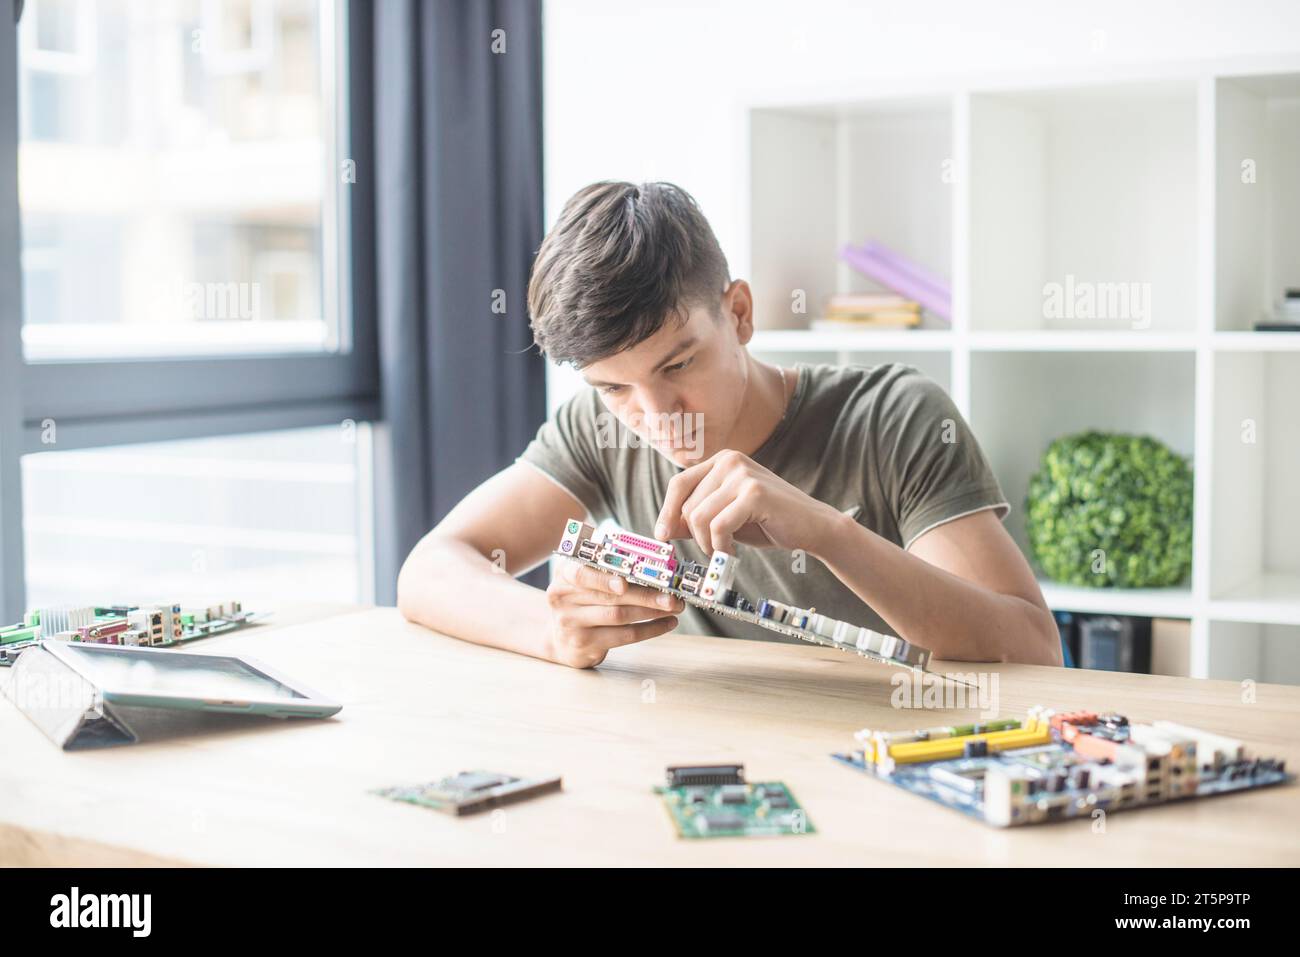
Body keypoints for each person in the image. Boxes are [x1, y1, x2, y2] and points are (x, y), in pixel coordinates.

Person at [397, 181, 1062, 669]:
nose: (656, 418)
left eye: (679, 364)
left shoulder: (894, 416)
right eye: (613, 388)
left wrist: (827, 532)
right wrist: (554, 628)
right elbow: (429, 569)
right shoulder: (598, 432)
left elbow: (1032, 648)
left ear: (739, 313)